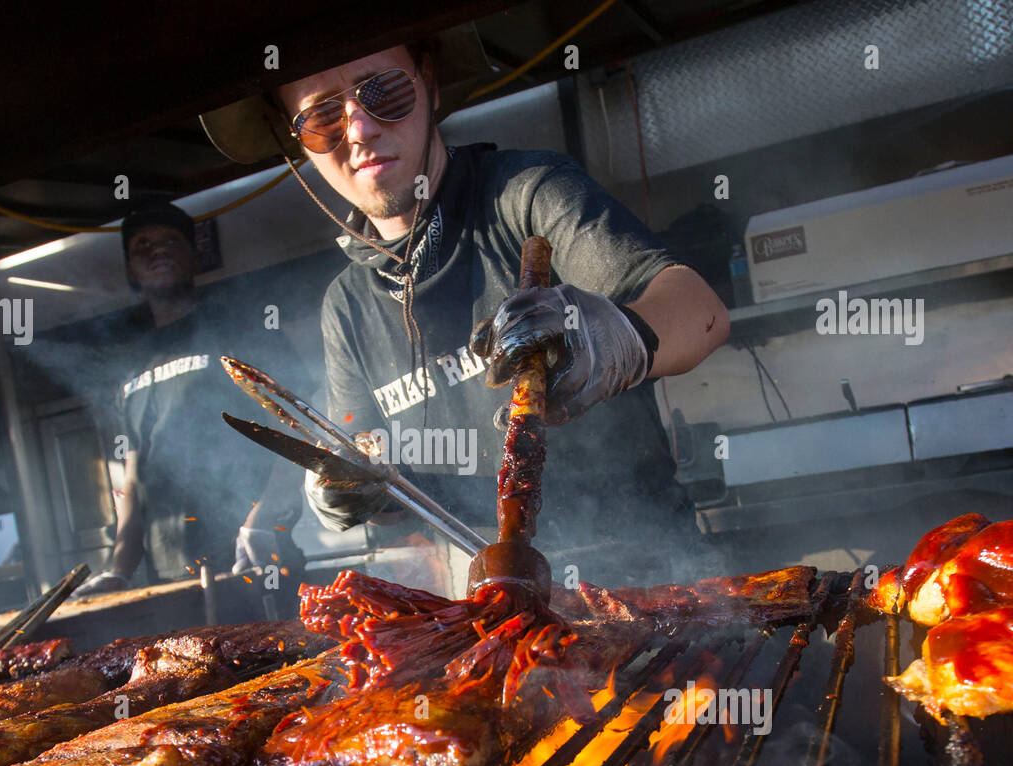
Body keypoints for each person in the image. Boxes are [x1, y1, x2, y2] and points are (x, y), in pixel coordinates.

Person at [202, 27, 729, 590]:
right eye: (321, 118)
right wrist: (350, 489)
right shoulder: (346, 306)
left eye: (382, 91)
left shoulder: (527, 195)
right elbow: (384, 481)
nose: (357, 129)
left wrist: (615, 337)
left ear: (428, 80)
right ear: (298, 143)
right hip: (483, 605)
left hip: (648, 582)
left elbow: (703, 312)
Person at [75, 200, 308, 600]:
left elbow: (299, 428)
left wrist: (263, 518)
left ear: (193, 254)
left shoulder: (240, 328)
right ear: (131, 269)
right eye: (143, 245)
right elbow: (132, 480)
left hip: (253, 558)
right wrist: (119, 569)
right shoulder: (129, 366)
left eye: (170, 240)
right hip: (167, 579)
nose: (157, 250)